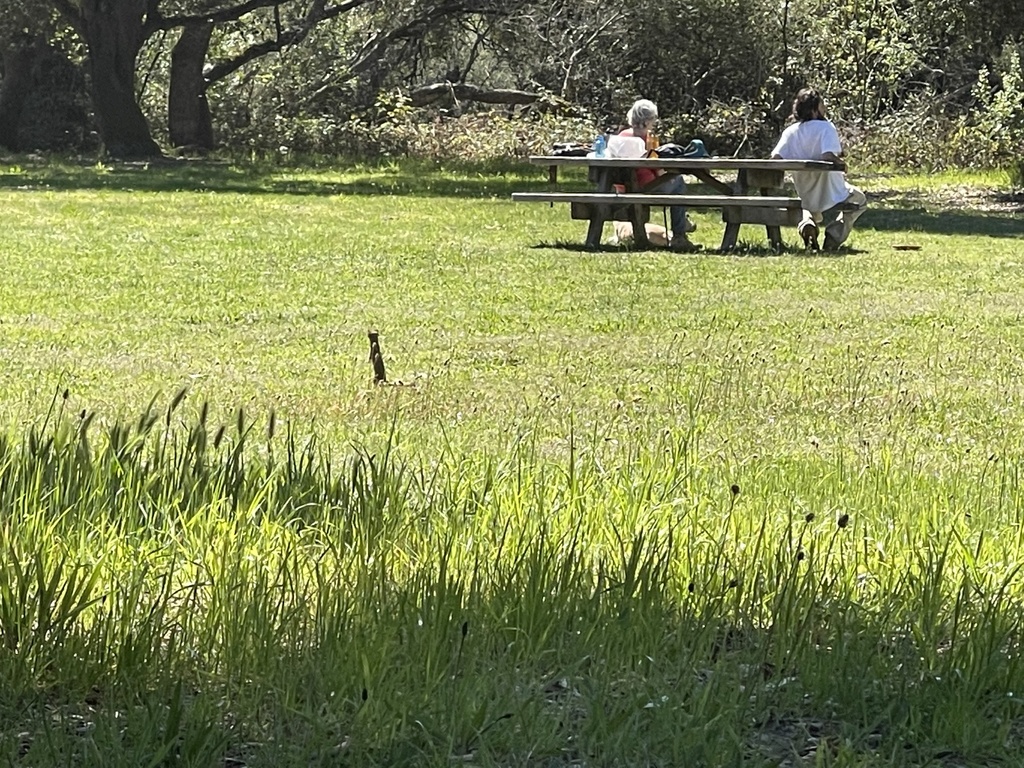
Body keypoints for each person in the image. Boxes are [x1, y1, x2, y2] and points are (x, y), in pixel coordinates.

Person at [771, 88, 867, 251]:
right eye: (822, 105)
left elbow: (775, 158)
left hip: (805, 192)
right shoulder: (825, 127)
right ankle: (833, 236)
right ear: (815, 109)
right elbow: (828, 155)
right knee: (860, 200)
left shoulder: (791, 131)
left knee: (809, 206)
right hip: (831, 191)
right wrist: (842, 164)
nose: (825, 109)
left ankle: (807, 224)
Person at [618, 99, 699, 252]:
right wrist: (667, 173)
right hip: (647, 186)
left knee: (675, 185)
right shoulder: (648, 139)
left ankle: (682, 222)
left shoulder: (623, 135)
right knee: (678, 182)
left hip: (624, 187)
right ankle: (679, 235)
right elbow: (657, 168)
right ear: (648, 120)